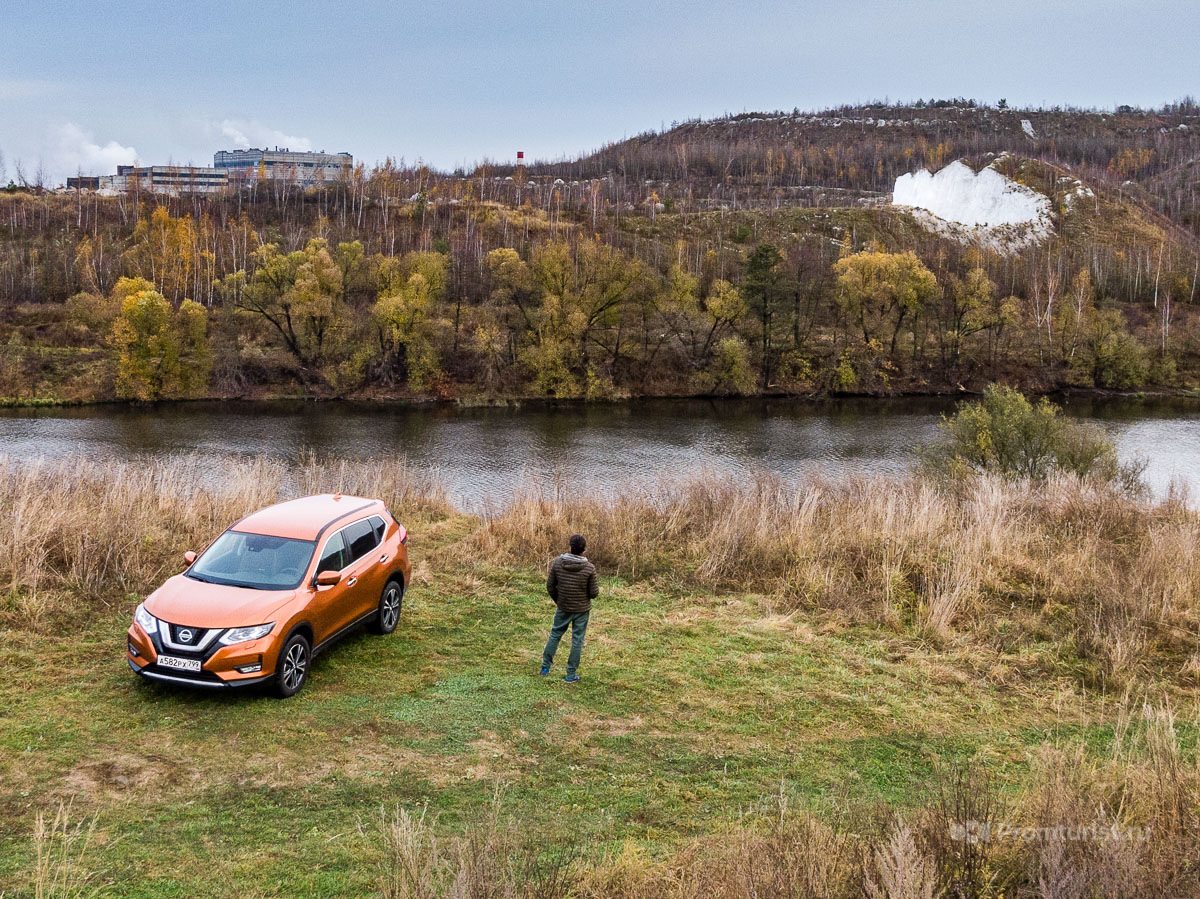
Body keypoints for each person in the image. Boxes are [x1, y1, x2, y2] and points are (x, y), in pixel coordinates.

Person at [541, 534, 598, 683]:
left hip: (563, 607)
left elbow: (550, 586)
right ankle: (570, 675)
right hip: (581, 610)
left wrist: (559, 600)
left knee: (555, 635)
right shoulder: (589, 568)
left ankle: (545, 667)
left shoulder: (558, 563)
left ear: (570, 548)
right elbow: (594, 593)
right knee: (577, 641)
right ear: (583, 550)